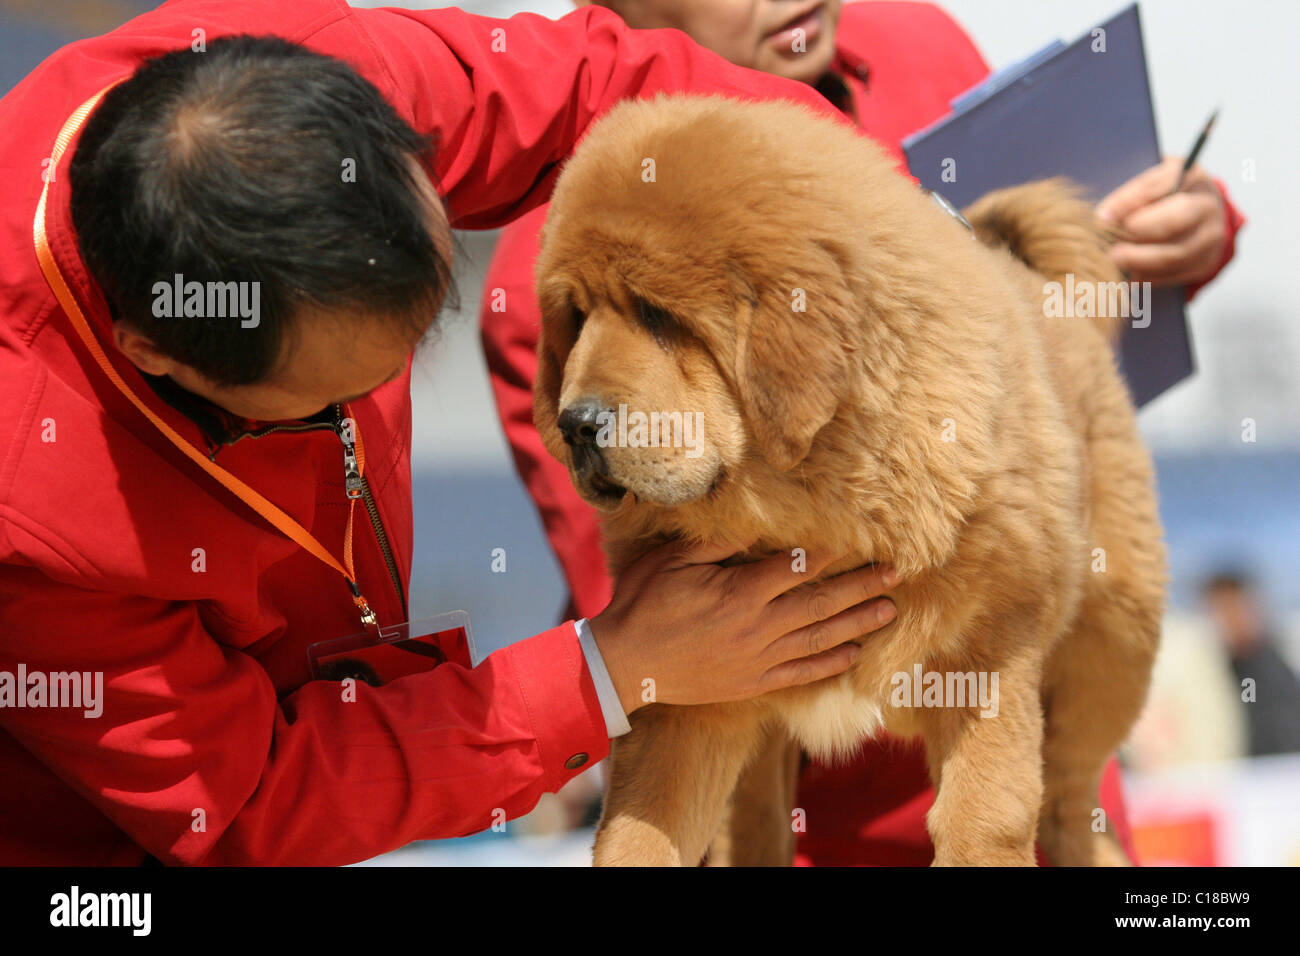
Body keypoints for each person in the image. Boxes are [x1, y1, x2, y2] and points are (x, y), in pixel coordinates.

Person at [0, 0, 910, 866]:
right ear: (159, 354)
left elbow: (602, 88)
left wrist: (900, 225)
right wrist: (610, 668)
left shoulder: (329, 70)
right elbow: (252, 798)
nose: (406, 373)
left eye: (428, 312)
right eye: (348, 389)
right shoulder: (29, 514)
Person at [480, 0, 1247, 865]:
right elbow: (665, 647)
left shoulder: (919, 44)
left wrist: (1183, 231)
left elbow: (1063, 289)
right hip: (817, 827)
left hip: (1025, 784)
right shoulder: (559, 254)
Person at [1202, 571, 1300, 757]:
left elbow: (1256, 723)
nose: (1226, 621)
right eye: (1219, 611)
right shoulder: (1226, 663)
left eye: (1231, 609)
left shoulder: (1260, 670)